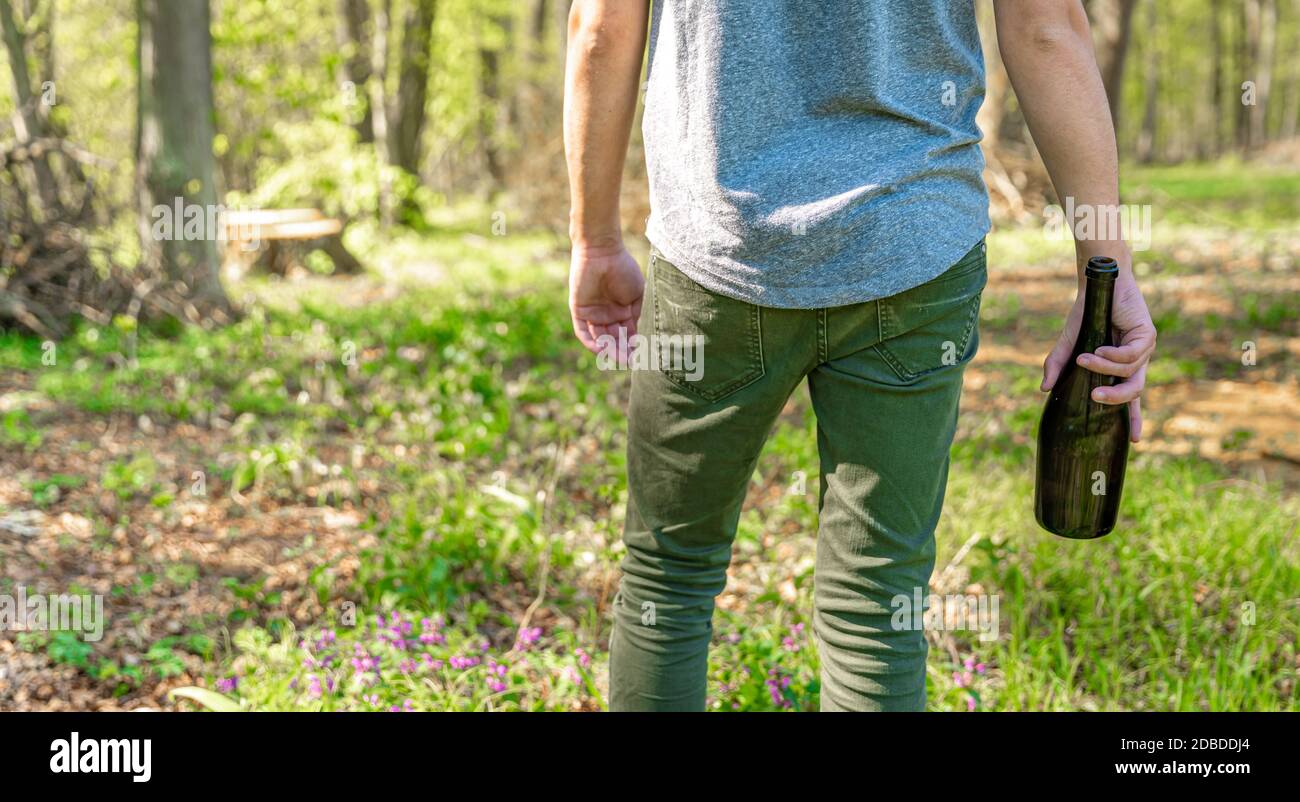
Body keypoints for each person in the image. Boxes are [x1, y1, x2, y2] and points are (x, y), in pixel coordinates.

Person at [563, 0, 1157, 711]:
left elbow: (601, 26)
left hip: (720, 247)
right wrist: (1106, 268)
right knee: (878, 605)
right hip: (913, 245)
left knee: (670, 576)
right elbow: (1046, 26)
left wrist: (595, 240)